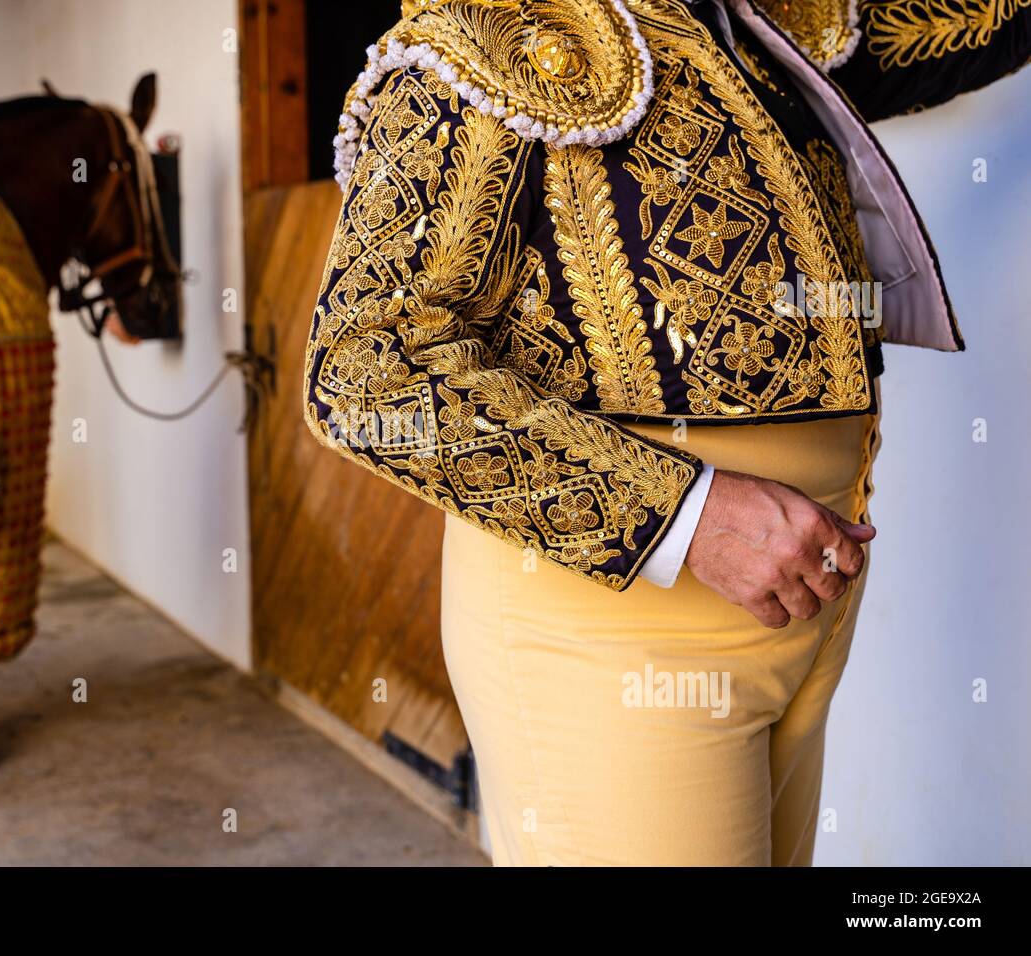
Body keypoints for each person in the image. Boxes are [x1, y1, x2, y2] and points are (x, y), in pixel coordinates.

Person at [303, 0, 1030, 864]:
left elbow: (979, 21)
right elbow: (360, 369)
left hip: (806, 600)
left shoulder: (763, 24)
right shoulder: (480, 38)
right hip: (610, 630)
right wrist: (690, 517)